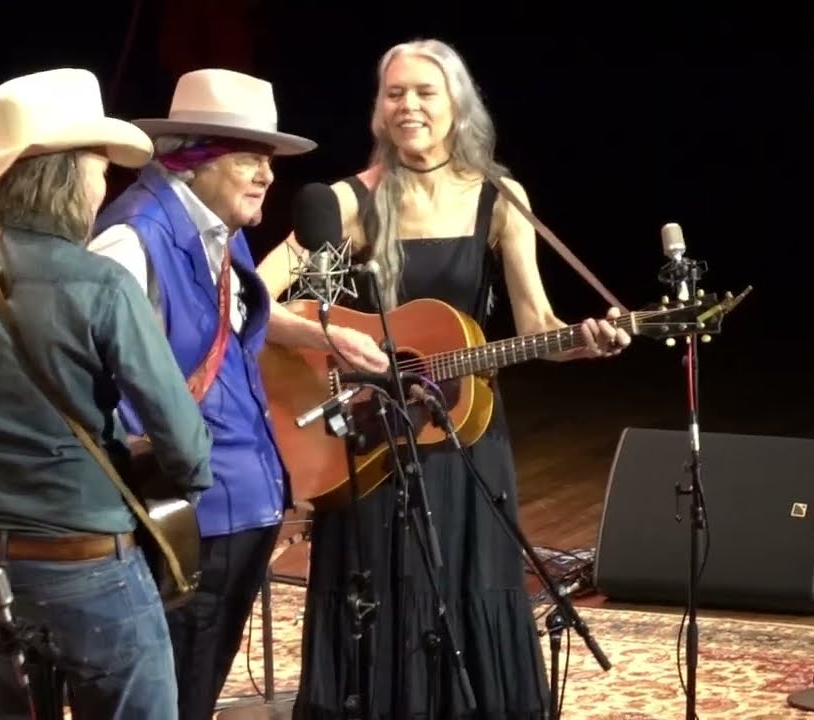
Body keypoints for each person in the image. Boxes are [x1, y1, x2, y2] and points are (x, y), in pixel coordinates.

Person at [257, 39, 633, 718]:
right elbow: (253, 298)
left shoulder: (500, 199)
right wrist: (329, 338)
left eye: (425, 92)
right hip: (370, 438)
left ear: (457, 105)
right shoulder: (350, 201)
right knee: (379, 589)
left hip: (464, 430)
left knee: (467, 580)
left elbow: (537, 325)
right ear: (379, 109)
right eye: (395, 93)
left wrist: (581, 344)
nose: (409, 106)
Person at [0, 68, 214, 719]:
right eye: (100, 168)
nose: (105, 186)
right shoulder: (102, 284)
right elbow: (187, 448)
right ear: (69, 176)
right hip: (89, 571)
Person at [87, 68, 387, 719]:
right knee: (172, 695)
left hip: (243, 503)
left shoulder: (219, 225)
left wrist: (322, 335)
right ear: (192, 157)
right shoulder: (131, 240)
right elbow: (87, 371)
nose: (267, 175)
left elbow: (237, 312)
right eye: (249, 157)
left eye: (268, 159)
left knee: (196, 685)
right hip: (190, 513)